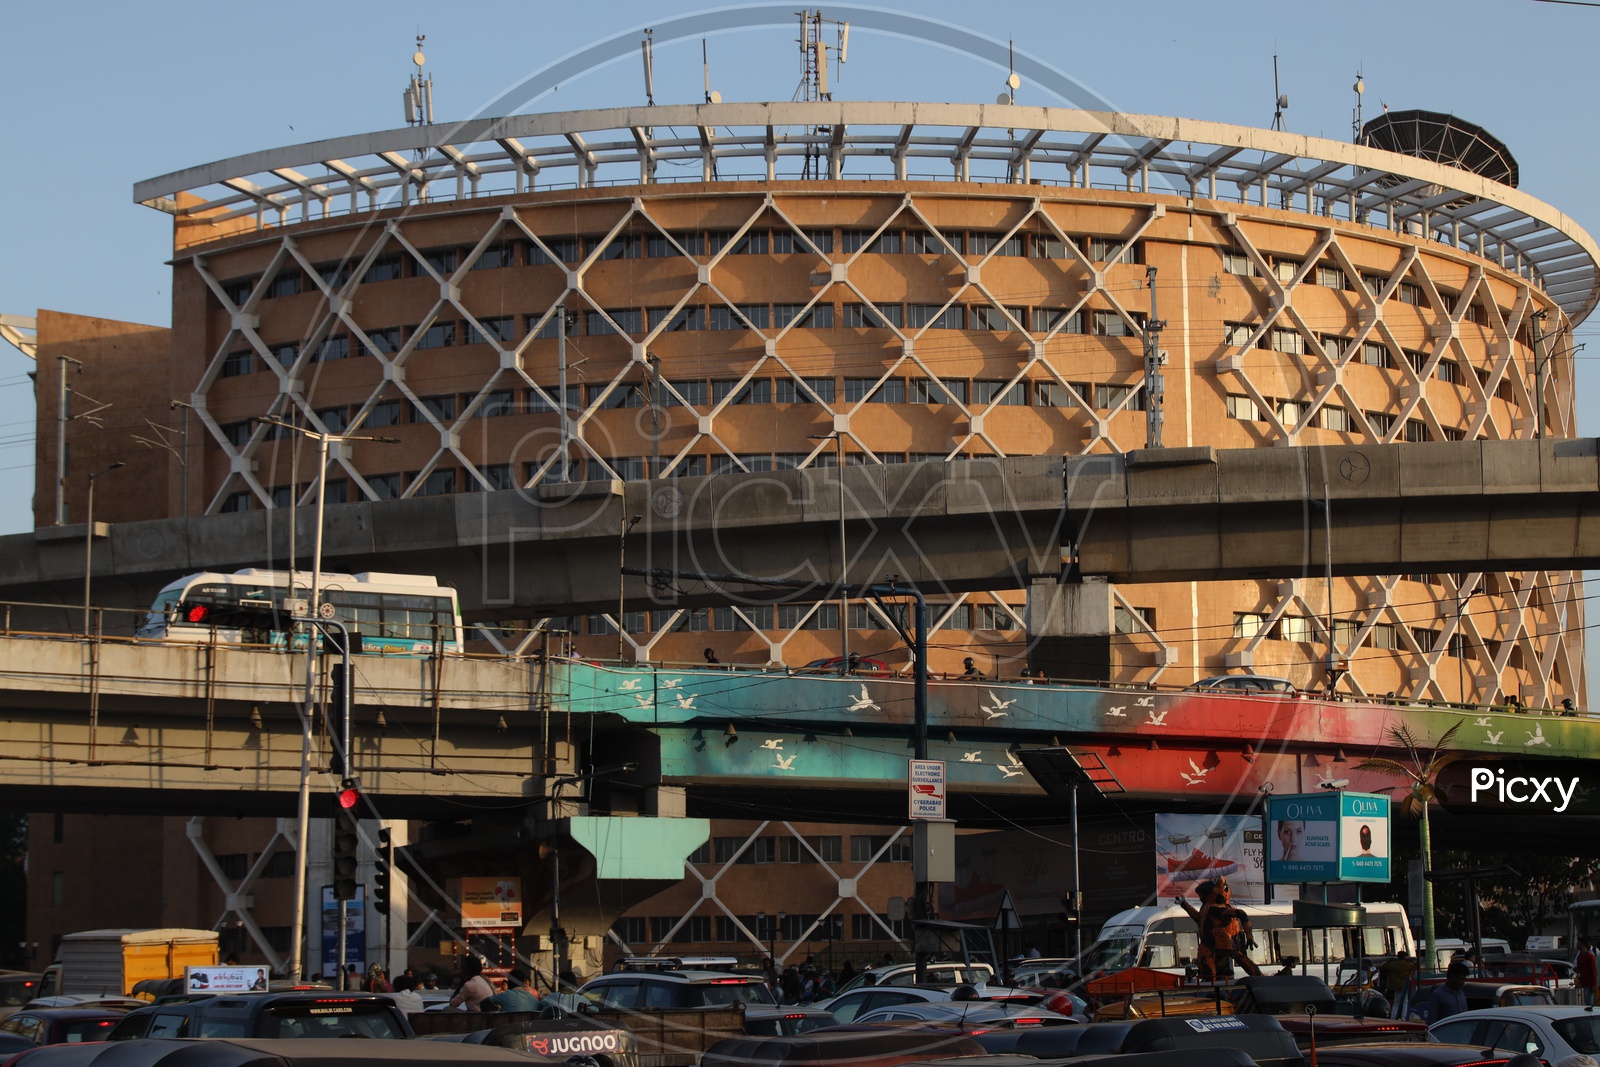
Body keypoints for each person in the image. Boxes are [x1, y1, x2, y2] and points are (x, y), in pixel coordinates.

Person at [1377, 951, 1416, 1019]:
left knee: (1396, 1002)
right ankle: (1404, 1018)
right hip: (1405, 986)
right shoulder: (1408, 965)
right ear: (1405, 957)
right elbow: (1415, 965)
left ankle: (1393, 1017)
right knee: (1405, 1002)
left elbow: (1384, 965)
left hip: (1396, 986)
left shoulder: (1393, 964)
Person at [1576, 937, 1597, 1007]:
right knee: (1585, 1001)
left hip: (1590, 984)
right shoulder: (1579, 957)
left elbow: (1593, 971)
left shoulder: (1590, 956)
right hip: (1583, 984)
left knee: (1589, 1002)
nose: (1577, 944)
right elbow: (1579, 970)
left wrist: (1594, 985)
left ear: (1583, 944)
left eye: (1578, 943)